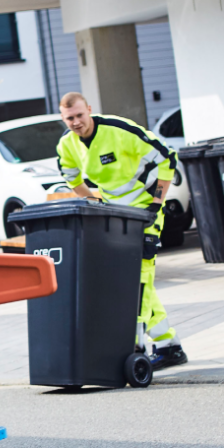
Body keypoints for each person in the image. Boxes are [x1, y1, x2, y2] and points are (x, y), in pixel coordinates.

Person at [56, 92, 188, 369]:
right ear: (63, 119)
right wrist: (98, 203)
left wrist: (155, 203)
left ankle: (138, 345)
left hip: (146, 210)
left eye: (80, 115)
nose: (77, 122)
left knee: (139, 277)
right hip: (116, 215)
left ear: (89, 110)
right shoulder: (67, 145)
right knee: (131, 279)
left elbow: (168, 158)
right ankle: (168, 345)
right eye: (70, 118)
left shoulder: (119, 130)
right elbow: (71, 178)